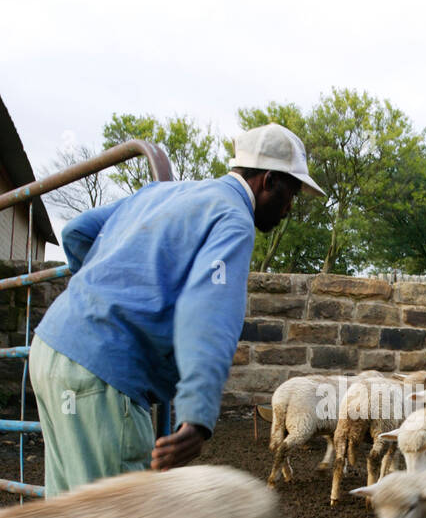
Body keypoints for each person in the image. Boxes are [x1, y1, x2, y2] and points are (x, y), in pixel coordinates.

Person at [28, 123, 325, 497]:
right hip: (102, 375)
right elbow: (210, 315)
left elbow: (77, 232)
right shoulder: (233, 219)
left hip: (50, 348)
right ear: (269, 181)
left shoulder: (163, 193)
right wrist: (197, 416)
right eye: (292, 192)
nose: (289, 207)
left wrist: (101, 296)